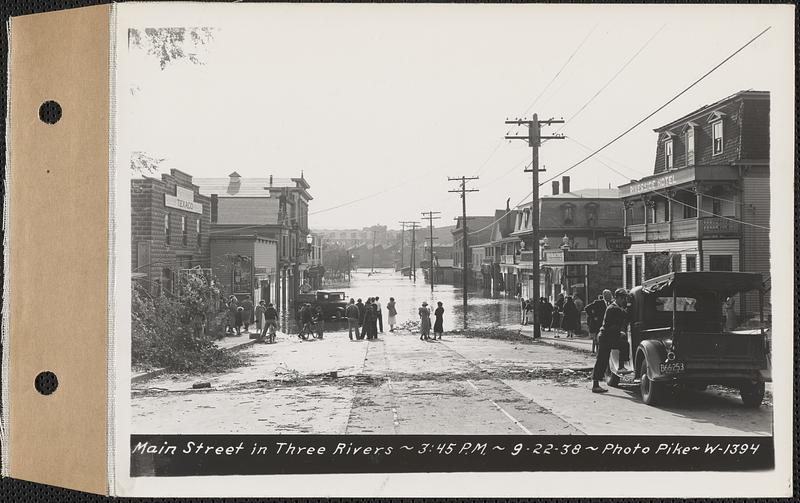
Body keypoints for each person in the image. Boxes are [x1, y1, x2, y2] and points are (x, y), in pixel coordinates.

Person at [591, 288, 632, 393]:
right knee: (602, 360)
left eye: (625, 298)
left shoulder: (614, 307)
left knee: (622, 345)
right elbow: (626, 315)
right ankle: (596, 385)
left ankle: (621, 367)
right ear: (617, 298)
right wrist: (629, 306)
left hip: (609, 336)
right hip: (606, 337)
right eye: (623, 298)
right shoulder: (614, 308)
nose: (624, 300)